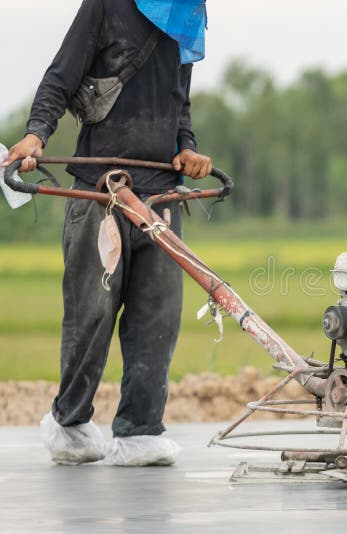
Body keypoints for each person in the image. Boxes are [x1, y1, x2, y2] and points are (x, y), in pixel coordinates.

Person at [3, 0, 213, 466]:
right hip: (100, 191)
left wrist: (187, 147)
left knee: (158, 318)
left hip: (161, 196)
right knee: (91, 314)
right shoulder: (107, 5)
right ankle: (71, 422)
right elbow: (60, 78)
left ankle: (141, 431)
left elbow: (178, 102)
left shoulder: (187, 13)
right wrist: (36, 134)